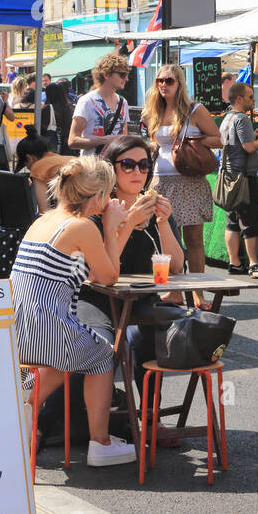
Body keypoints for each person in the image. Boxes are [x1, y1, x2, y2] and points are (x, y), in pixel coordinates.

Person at [10, 158, 138, 467]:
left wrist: (114, 230)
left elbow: (96, 272)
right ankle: (101, 443)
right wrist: (112, 227)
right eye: (108, 193)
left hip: (16, 329)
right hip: (47, 326)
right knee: (103, 355)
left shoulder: (43, 220)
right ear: (97, 197)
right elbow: (108, 277)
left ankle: (24, 412)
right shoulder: (82, 227)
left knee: (59, 363)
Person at [73, 135, 183, 386]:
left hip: (140, 298)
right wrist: (128, 224)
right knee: (102, 345)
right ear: (112, 169)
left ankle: (149, 418)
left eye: (144, 165)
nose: (137, 172)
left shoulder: (155, 209)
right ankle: (98, 413)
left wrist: (164, 222)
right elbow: (95, 274)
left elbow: (176, 267)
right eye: (128, 165)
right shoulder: (98, 210)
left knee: (159, 336)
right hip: (97, 299)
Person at [142, 63, 223, 277]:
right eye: (160, 80)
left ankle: (197, 293)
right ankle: (171, 291)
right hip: (160, 181)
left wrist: (193, 139)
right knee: (166, 239)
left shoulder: (195, 110)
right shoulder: (153, 111)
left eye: (169, 81)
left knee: (193, 239)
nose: (163, 85)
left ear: (179, 84)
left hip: (189, 180)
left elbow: (218, 140)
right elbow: (155, 142)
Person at [220, 80, 258, 278]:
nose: (253, 100)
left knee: (232, 221)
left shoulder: (227, 118)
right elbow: (249, 147)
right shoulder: (241, 118)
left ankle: (235, 263)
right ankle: (254, 264)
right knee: (250, 222)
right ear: (239, 99)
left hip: (230, 176)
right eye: (250, 97)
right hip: (243, 178)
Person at [70, 53, 130, 155]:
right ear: (106, 74)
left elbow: (124, 135)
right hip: (92, 167)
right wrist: (103, 141)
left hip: (117, 166)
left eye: (126, 75)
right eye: (122, 75)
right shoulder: (87, 101)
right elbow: (72, 141)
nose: (126, 79)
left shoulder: (123, 102)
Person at [14, 126, 73, 215]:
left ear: (29, 159)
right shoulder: (65, 159)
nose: (29, 170)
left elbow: (44, 210)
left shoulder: (38, 167)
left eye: (26, 166)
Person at [41, 79, 74, 154]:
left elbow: (42, 128)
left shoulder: (47, 108)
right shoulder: (68, 107)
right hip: (66, 143)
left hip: (52, 144)